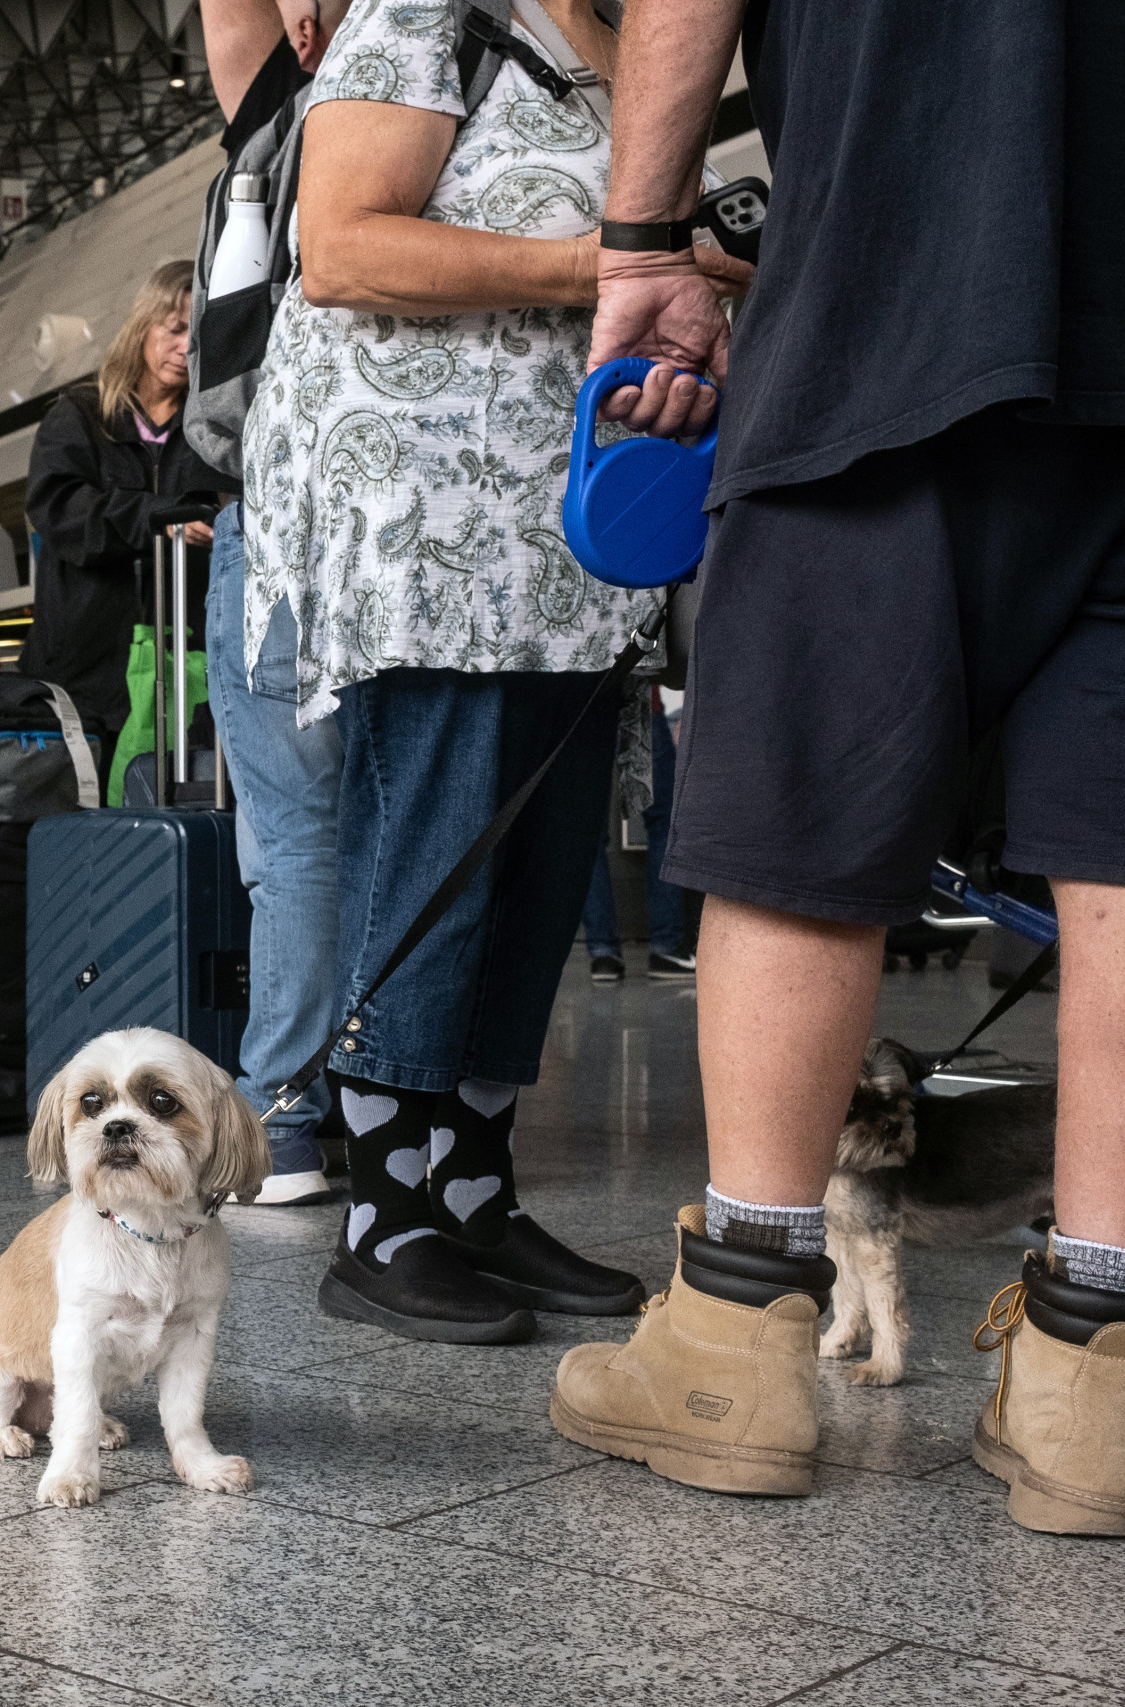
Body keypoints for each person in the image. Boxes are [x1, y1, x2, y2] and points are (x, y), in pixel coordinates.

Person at [553, 0, 1125, 1539]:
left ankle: (731, 1343)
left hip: (898, 277)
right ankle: (1097, 1389)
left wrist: (647, 234)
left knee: (801, 809)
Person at [240, 0, 749, 1341]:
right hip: (426, 516)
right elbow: (342, 247)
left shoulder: (633, 54)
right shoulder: (431, 10)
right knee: (442, 845)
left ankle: (473, 1184)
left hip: (566, 525)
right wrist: (612, 266)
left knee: (538, 860)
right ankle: (382, 1212)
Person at [195, 0, 356, 1206]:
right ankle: (403, 1101)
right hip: (438, 519)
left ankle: (288, 1119)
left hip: (290, 512)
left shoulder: (296, 106)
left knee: (294, 843)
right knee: (411, 819)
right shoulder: (502, 94)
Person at [21, 259, 227, 752]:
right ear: (142, 327)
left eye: (195, 336)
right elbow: (59, 510)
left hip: (184, 671)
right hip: (84, 675)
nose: (184, 348)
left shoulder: (209, 429)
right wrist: (160, 519)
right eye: (174, 330)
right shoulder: (80, 415)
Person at [580, 689, 693, 981]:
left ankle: (604, 954)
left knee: (588, 832)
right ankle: (666, 948)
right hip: (634, 701)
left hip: (579, 706)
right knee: (662, 822)